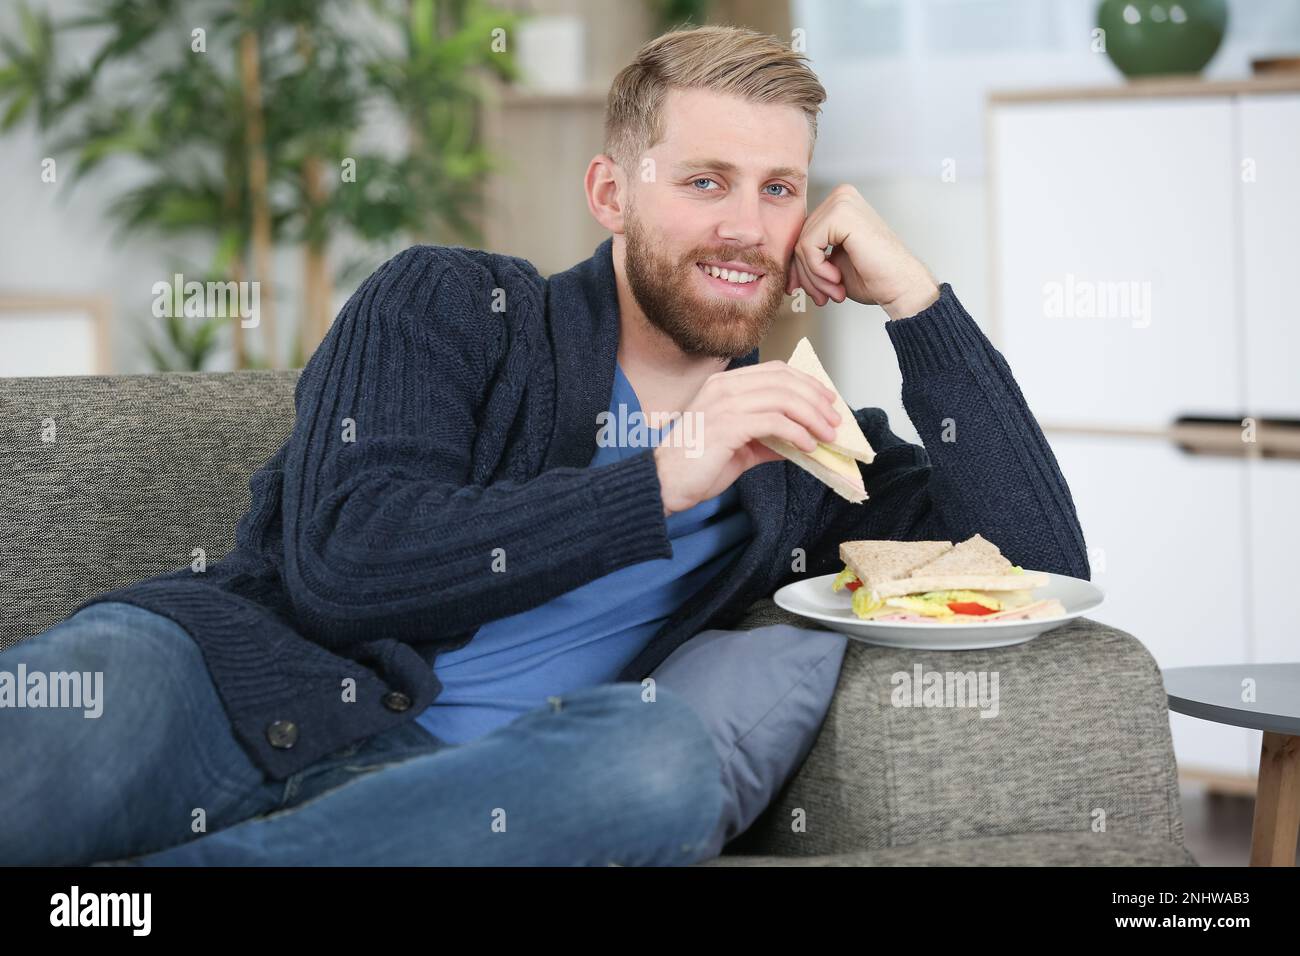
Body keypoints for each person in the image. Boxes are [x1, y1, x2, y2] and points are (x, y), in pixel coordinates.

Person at [0, 25, 1088, 867]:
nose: (745, 226)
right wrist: (659, 479)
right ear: (612, 193)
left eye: (778, 190)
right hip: (213, 690)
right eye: (704, 180)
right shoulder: (453, 302)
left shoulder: (802, 452)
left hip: (464, 796)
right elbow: (343, 561)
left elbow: (1040, 567)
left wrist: (919, 305)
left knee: (661, 761)